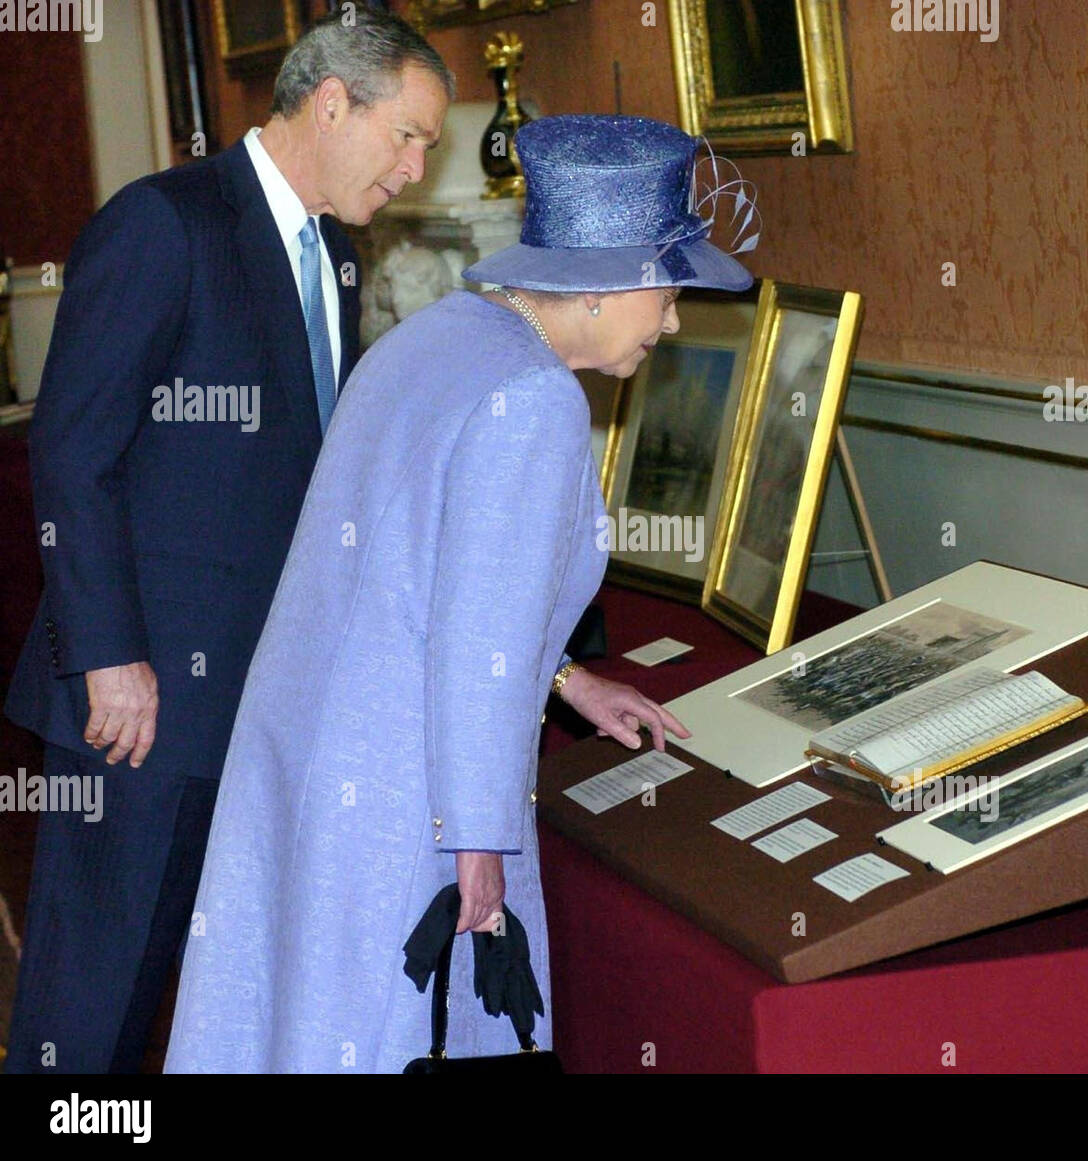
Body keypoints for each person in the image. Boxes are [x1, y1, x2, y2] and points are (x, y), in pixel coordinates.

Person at [164, 113, 758, 1072]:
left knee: (293, 1016)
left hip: (315, 754)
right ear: (603, 285)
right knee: (387, 1036)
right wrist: (477, 842)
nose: (675, 321)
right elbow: (473, 640)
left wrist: (567, 679)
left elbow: (432, 584)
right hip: (409, 792)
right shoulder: (536, 400)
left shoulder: (440, 334)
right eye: (669, 291)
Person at [3, 8, 452, 1073]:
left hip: (255, 704)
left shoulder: (335, 254)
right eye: (408, 135)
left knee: (201, 996)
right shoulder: (166, 223)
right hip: (140, 710)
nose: (415, 169)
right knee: (91, 1010)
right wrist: (110, 657)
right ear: (333, 103)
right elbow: (71, 452)